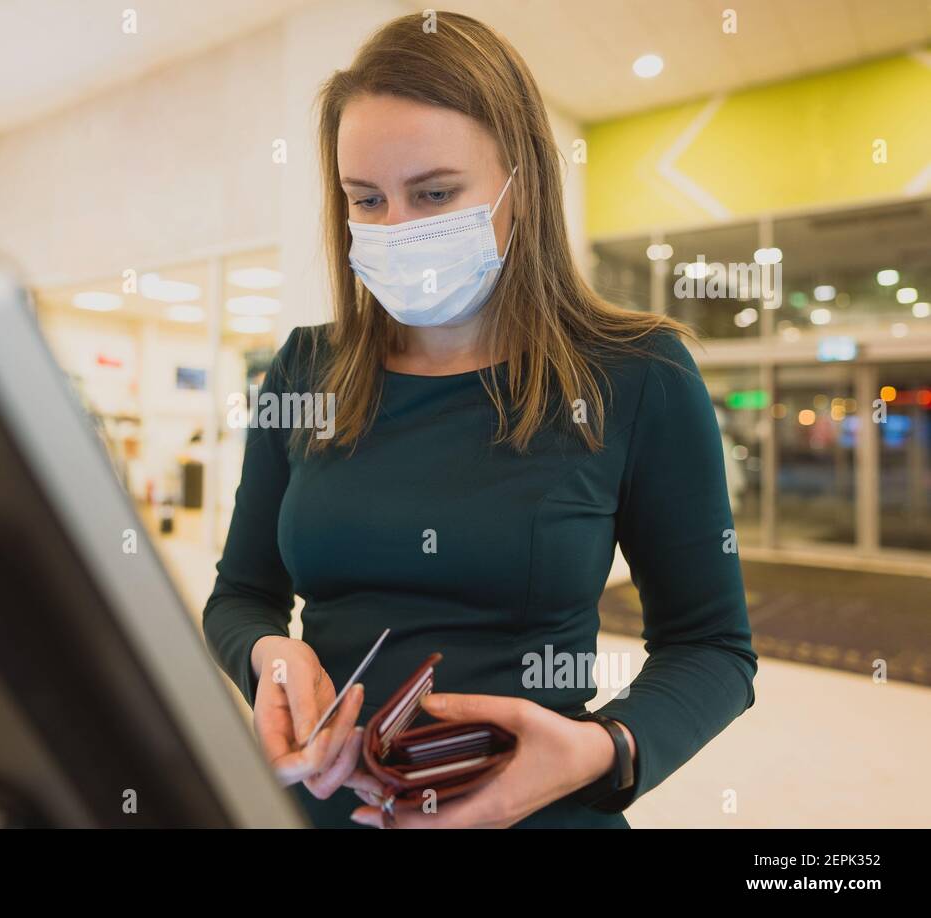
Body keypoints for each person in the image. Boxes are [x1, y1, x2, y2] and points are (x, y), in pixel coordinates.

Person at [202, 11, 756, 828]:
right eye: (367, 199)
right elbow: (240, 595)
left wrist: (609, 748)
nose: (397, 228)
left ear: (521, 183)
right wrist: (266, 658)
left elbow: (713, 648)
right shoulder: (306, 368)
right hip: (320, 809)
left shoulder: (638, 374)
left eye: (434, 193)